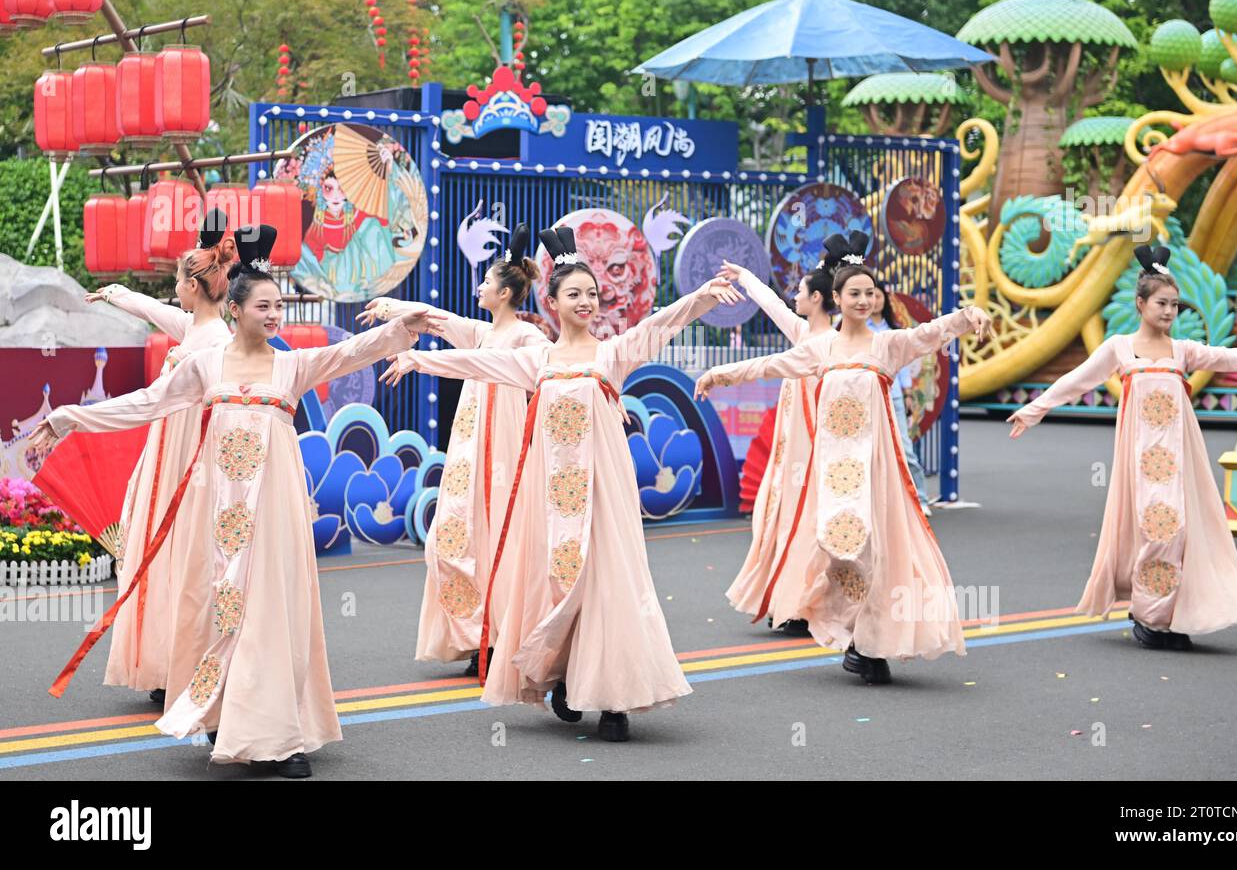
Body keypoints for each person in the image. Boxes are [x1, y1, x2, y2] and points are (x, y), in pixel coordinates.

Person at [33, 225, 427, 777]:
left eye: (279, 306)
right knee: (222, 610)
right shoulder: (206, 366)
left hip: (276, 518)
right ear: (236, 310)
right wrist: (67, 418)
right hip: (219, 516)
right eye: (264, 305)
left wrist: (398, 330)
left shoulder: (291, 367)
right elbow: (145, 404)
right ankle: (223, 710)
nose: (275, 315)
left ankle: (284, 738)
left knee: (273, 613)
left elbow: (348, 352)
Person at [379, 225, 742, 740]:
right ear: (551, 302)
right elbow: (480, 361)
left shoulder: (611, 354)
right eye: (574, 294)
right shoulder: (538, 359)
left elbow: (662, 323)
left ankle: (614, 699)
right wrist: (420, 358)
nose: (587, 302)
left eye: (592, 294)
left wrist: (702, 297)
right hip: (548, 499)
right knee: (551, 583)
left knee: (605, 587)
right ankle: (564, 678)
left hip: (601, 498)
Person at [695, 233, 993, 684]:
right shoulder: (820, 348)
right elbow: (771, 365)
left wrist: (968, 315)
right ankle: (848, 628)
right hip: (831, 474)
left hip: (875, 473)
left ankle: (868, 644)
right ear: (835, 298)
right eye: (854, 293)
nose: (864, 300)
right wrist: (721, 375)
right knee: (837, 550)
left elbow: (929, 333)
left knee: (875, 551)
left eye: (870, 293)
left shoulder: (888, 346)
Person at [1008, 245, 1237, 649]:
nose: (1168, 312)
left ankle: (1159, 616)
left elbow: (1226, 357)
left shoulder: (1182, 351)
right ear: (1141, 303)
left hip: (1179, 461)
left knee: (1177, 532)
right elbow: (1077, 379)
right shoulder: (1119, 348)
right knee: (1158, 531)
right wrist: (1033, 410)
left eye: (1175, 305)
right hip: (1140, 462)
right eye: (1161, 303)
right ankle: (1150, 617)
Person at [359, 224, 547, 678]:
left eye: (486, 282)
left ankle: (496, 638)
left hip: (503, 451)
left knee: (500, 534)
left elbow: (559, 367)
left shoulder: (528, 339)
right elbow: (434, 316)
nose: (479, 286)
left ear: (504, 294)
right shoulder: (480, 334)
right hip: (467, 450)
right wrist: (390, 307)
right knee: (451, 537)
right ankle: (474, 633)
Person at [85, 214, 235, 703]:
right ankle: (166, 661)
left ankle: (186, 663)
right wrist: (115, 294)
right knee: (163, 552)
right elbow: (154, 310)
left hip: (192, 461)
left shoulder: (218, 342)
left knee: (186, 556)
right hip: (167, 455)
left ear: (194, 285)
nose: (173, 291)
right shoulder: (196, 328)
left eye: (177, 282)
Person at [715, 260, 832, 631]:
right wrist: (745, 276)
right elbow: (771, 304)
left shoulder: (830, 345)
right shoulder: (802, 335)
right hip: (788, 457)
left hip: (813, 454)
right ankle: (787, 600)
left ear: (816, 298)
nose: (794, 295)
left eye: (801, 290)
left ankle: (802, 606)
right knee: (779, 522)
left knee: (808, 525)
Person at [865, 278, 932, 513]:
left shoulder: (892, 331)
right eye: (868, 295)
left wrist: (906, 393)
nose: (871, 301)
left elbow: (902, 365)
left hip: (892, 395)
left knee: (905, 449)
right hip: (865, 396)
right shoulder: (857, 330)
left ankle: (921, 499)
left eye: (876, 295)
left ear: (884, 299)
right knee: (868, 450)